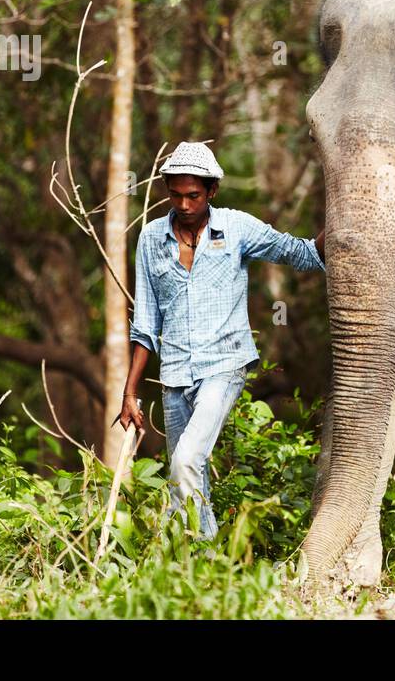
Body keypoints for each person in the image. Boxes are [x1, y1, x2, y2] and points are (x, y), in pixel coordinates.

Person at [117, 140, 325, 541]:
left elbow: (296, 252)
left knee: (185, 462)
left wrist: (343, 224)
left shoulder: (236, 228)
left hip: (224, 366)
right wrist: (130, 392)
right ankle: (208, 566)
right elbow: (144, 321)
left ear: (211, 191)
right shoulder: (150, 238)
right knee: (188, 471)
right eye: (176, 195)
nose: (184, 204)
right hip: (175, 375)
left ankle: (201, 563)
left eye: (193, 195)